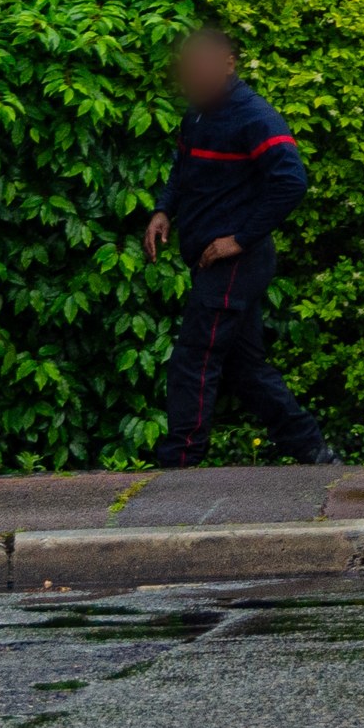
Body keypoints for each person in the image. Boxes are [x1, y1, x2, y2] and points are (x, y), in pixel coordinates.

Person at [142, 28, 334, 467]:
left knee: (194, 357)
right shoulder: (197, 114)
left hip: (234, 264)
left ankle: (178, 463)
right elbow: (182, 167)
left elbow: (291, 181)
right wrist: (163, 210)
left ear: (229, 64)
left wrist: (239, 239)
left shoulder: (255, 117)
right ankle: (310, 448)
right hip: (211, 259)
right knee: (244, 367)